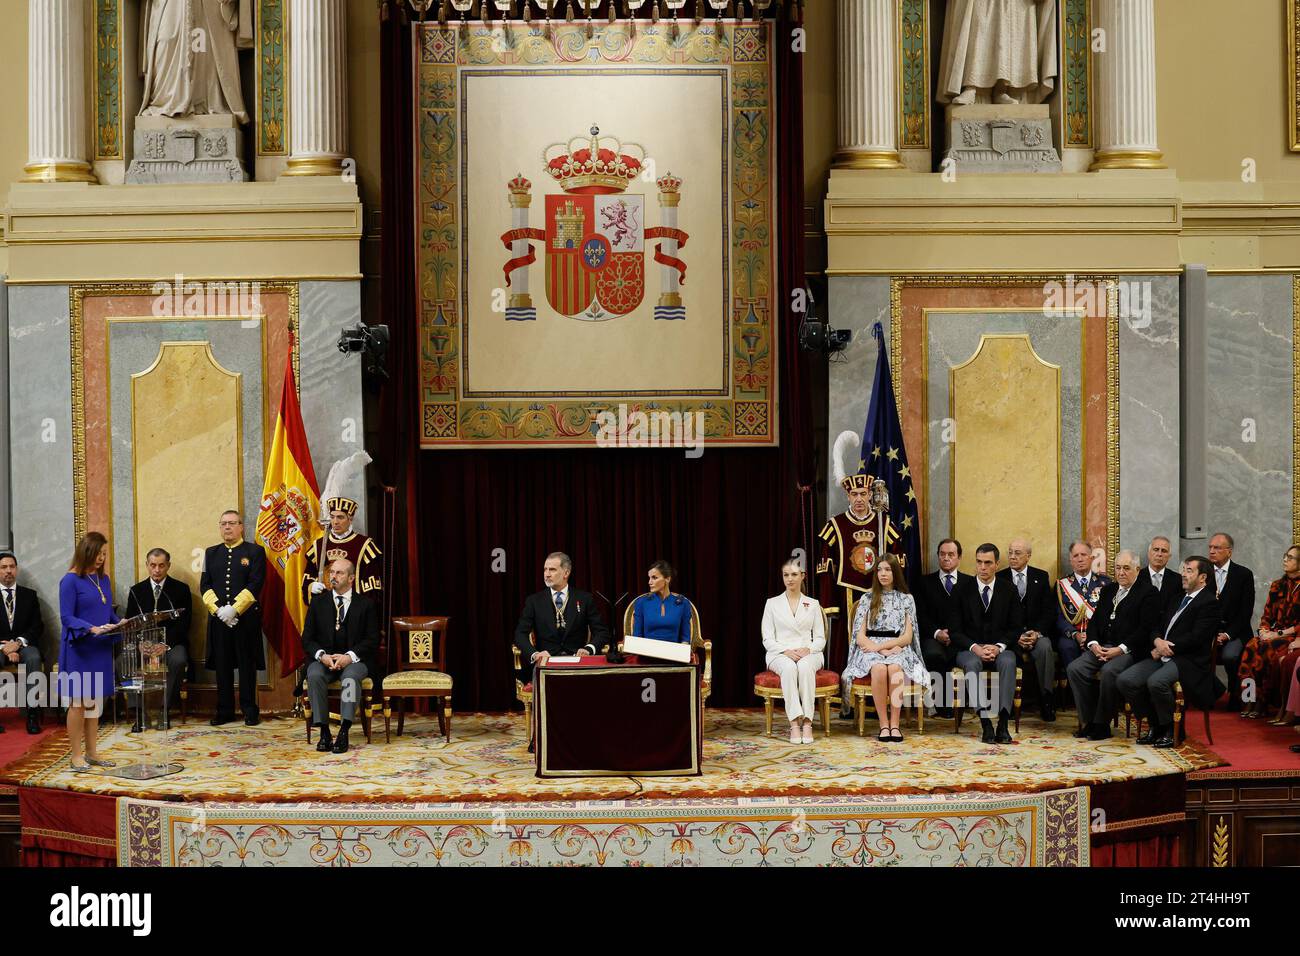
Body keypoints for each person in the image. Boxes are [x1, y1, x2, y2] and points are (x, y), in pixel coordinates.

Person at [1116, 556, 1224, 748]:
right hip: (1161, 653)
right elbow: (1156, 624)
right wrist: (1157, 641)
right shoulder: (1176, 598)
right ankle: (1155, 724)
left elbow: (1197, 637)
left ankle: (1171, 729)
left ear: (1203, 578)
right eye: (1184, 569)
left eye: (1189, 570)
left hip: (1188, 660)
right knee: (1126, 680)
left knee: (1156, 682)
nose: (1183, 574)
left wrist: (1167, 647)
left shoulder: (1210, 603)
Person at [1066, 550, 1160, 740]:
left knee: (1109, 671)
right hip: (1102, 646)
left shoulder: (1148, 593)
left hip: (1129, 650)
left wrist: (1120, 649)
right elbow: (1094, 621)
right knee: (1075, 668)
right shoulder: (1109, 589)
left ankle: (1101, 725)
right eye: (1118, 568)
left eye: (1126, 568)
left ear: (1137, 569)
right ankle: (1089, 721)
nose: (1121, 573)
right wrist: (1092, 644)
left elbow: (1145, 629)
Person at [817, 473, 897, 674]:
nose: (859, 498)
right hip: (847, 593)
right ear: (848, 497)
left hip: (880, 590)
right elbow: (826, 566)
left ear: (870, 494)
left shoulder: (884, 523)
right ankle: (849, 693)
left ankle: (874, 693)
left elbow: (898, 561)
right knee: (847, 639)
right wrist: (829, 602)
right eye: (854, 494)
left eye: (863, 493)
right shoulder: (835, 525)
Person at [842, 554, 926, 742]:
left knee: (895, 668)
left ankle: (895, 725)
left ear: (895, 572)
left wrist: (889, 647)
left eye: (888, 569)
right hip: (871, 648)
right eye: (879, 569)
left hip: (898, 647)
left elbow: (907, 637)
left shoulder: (906, 599)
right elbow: (860, 635)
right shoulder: (867, 598)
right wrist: (878, 649)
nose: (883, 574)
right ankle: (883, 725)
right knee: (879, 669)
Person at [57, 533, 121, 772]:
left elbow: (107, 613)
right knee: (78, 704)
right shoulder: (70, 580)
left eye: (104, 554)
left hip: (99, 648)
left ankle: (92, 752)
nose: (101, 558)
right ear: (86, 552)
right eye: (98, 553)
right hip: (79, 649)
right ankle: (76, 755)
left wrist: (119, 623)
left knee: (94, 704)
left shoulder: (103, 579)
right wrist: (91, 628)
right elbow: (66, 617)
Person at [302, 560, 379, 754]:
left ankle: (344, 730)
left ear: (351, 578)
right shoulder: (318, 603)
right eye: (332, 573)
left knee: (351, 679)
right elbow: (307, 639)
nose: (333, 577)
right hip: (324, 660)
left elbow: (372, 640)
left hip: (355, 660)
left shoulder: (366, 605)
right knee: (314, 675)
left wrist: (349, 656)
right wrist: (322, 656)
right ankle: (325, 731)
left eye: (339, 573)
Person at [949, 543, 1023, 744]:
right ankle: (986, 724)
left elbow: (1016, 627)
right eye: (979, 562)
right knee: (972, 664)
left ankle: (1003, 723)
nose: (982, 567)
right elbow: (955, 631)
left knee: (1009, 662)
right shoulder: (961, 589)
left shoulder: (1009, 589)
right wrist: (976, 648)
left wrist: (999, 646)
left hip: (1000, 648)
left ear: (997, 564)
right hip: (970, 649)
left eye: (988, 563)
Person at [200, 510, 266, 726]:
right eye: (223, 524)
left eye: (231, 523)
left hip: (245, 620)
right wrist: (220, 610)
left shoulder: (255, 552)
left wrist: (235, 610)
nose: (227, 527)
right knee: (223, 665)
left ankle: (250, 710)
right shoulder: (210, 553)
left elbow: (255, 583)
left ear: (241, 527)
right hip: (219, 620)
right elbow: (205, 585)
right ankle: (225, 710)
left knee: (247, 665)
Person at [761, 558, 827, 744]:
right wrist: (785, 651)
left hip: (809, 653)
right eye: (786, 575)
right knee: (789, 668)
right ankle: (794, 724)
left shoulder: (813, 604)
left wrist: (809, 649)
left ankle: (807, 722)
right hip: (779, 654)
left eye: (794, 575)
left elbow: (821, 638)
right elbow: (767, 638)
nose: (790, 579)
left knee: (805, 668)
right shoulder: (771, 604)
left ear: (803, 576)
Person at [125, 548, 193, 727]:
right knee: (123, 660)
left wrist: (165, 644)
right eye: (153, 565)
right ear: (147, 565)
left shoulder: (181, 589)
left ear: (168, 566)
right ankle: (140, 714)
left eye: (161, 566)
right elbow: (130, 624)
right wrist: (139, 644)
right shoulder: (136, 591)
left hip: (171, 643)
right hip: (144, 644)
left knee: (179, 660)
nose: (157, 570)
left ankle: (165, 710)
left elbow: (184, 624)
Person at [513, 552, 609, 670]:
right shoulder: (534, 601)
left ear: (566, 573)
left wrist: (589, 649)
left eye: (552, 570)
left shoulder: (585, 599)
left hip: (578, 663)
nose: (547, 574)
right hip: (545, 664)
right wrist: (535, 654)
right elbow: (520, 634)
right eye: (545, 569)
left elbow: (602, 632)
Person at [997, 538, 1057, 721]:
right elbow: (998, 616)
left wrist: (1037, 633)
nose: (1012, 557)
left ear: (1028, 556)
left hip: (1035, 634)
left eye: (1017, 553)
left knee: (1046, 647)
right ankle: (1006, 706)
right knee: (1007, 656)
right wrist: (1016, 636)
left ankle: (1047, 700)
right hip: (1011, 636)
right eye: (1010, 552)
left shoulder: (1041, 576)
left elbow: (1048, 612)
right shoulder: (999, 578)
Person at [1238, 546, 1300, 718]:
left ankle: (1262, 701)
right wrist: (1264, 630)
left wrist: (1278, 634)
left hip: (1293, 636)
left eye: (1291, 558)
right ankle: (1248, 698)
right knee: (1252, 645)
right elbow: (1267, 615)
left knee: (1267, 650)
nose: (1285, 560)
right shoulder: (1277, 585)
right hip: (1274, 633)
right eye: (1285, 556)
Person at [914, 538, 969, 715]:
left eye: (951, 554)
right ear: (938, 556)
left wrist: (954, 634)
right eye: (942, 554)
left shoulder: (970, 583)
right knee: (934, 654)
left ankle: (964, 702)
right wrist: (937, 633)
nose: (946, 558)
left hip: (961, 637)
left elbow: (972, 616)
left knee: (960, 655)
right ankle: (942, 704)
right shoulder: (924, 582)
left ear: (959, 557)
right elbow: (920, 615)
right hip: (932, 636)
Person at [302, 497, 382, 603]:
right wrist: (311, 586)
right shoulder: (319, 545)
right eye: (332, 517)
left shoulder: (365, 545)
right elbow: (308, 576)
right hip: (326, 608)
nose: (335, 522)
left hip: (353, 610)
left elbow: (372, 588)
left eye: (340, 517)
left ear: (350, 519)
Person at [1208, 532, 1256, 709]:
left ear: (1229, 552)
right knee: (1192, 653)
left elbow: (1245, 613)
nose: (1212, 551)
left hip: (1236, 631)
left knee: (1230, 655)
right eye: (1210, 547)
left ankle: (1236, 694)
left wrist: (1227, 635)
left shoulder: (1243, 574)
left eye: (1217, 548)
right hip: (1209, 631)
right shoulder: (1203, 573)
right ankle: (1215, 691)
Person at [0, 552, 46, 733]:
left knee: (34, 657)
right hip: (1, 646)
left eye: (12, 567)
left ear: (16, 570)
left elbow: (37, 626)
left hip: (24, 645)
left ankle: (32, 715)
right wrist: (5, 648)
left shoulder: (29, 595)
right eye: (4, 567)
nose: (8, 571)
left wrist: (17, 643)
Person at [1055, 540, 1113, 670]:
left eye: (1083, 555)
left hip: (1099, 634)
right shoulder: (1061, 586)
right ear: (1070, 560)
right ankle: (1073, 687)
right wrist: (1075, 635)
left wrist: (1093, 636)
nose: (1080, 559)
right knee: (1066, 645)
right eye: (1076, 556)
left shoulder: (1106, 584)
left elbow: (1111, 615)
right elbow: (1059, 617)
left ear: (1091, 558)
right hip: (1073, 635)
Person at [630, 560, 693, 645]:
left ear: (667, 579)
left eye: (654, 578)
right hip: (647, 654)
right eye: (649, 578)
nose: (649, 582)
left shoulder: (683, 603)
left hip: (673, 655)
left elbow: (685, 639)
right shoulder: (641, 603)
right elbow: (637, 637)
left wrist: (680, 655)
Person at [1137, 536, 1182, 616]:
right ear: (1149, 553)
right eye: (1156, 550)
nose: (1159, 554)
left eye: (1164, 551)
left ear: (1169, 556)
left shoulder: (1178, 580)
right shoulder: (1136, 577)